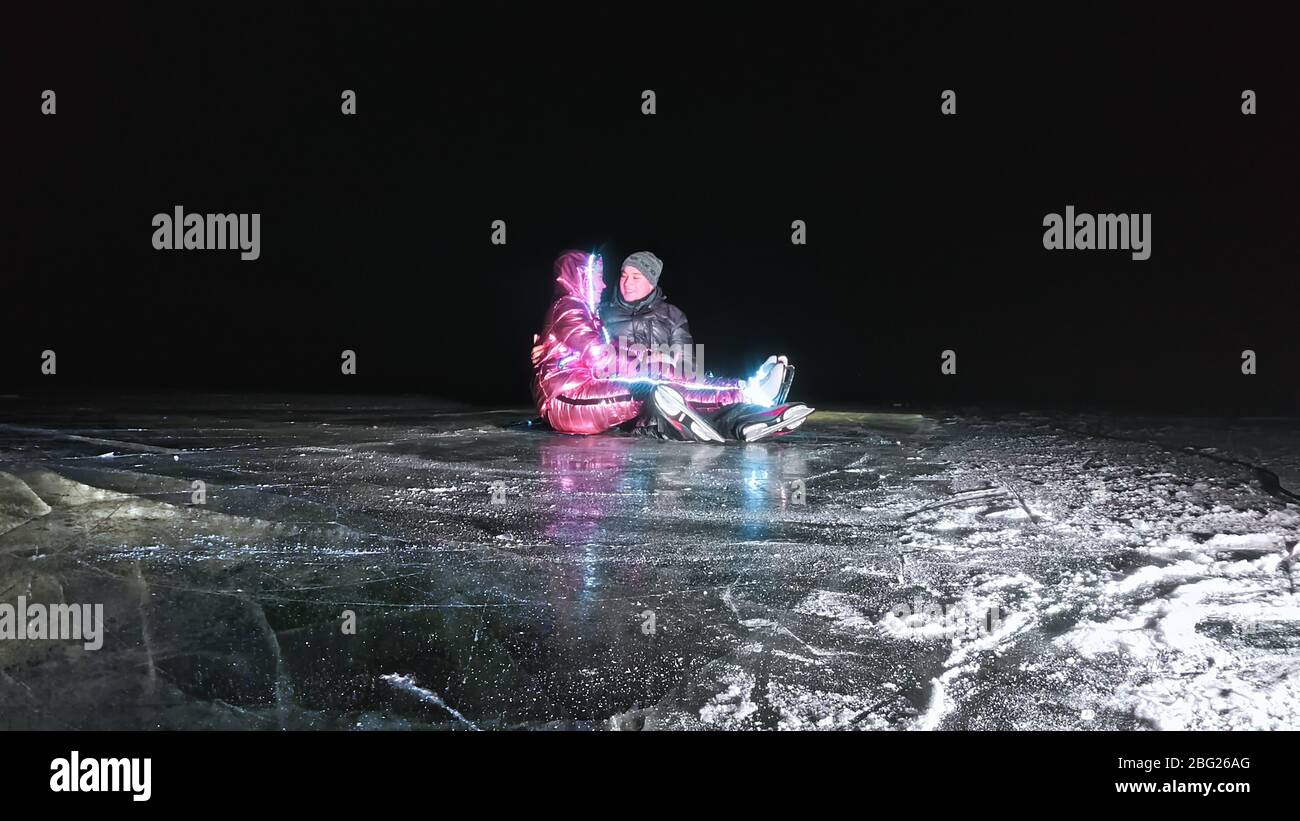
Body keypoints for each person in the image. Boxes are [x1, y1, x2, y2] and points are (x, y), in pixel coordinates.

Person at [531, 250, 813, 441]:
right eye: (620, 275)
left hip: (645, 391)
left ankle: (750, 401)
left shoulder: (670, 316)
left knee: (673, 383)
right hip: (587, 396)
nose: (611, 284)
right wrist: (646, 363)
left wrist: (655, 358)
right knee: (657, 391)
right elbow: (598, 355)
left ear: (652, 282)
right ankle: (745, 406)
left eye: (636, 277)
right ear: (581, 277)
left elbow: (688, 364)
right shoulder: (590, 310)